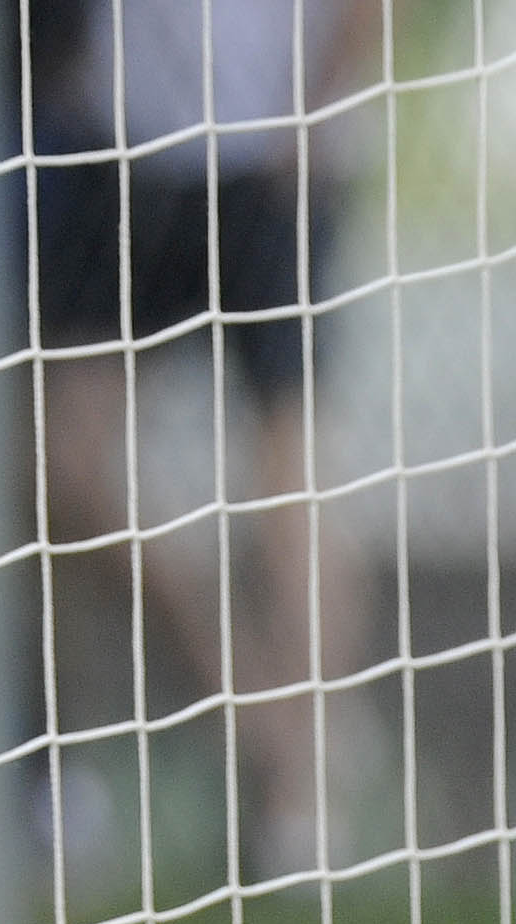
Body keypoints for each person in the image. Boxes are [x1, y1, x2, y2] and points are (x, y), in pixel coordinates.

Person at [30, 0, 384, 876]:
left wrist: (315, 115)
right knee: (61, 463)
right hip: (115, 149)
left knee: (289, 474)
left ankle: (303, 805)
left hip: (271, 156)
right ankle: (251, 703)